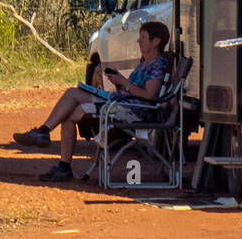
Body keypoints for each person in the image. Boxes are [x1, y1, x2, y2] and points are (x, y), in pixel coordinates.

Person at [14, 21, 171, 182]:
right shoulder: (144, 63)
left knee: (73, 96)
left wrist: (124, 83)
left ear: (156, 41)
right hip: (121, 103)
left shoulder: (157, 66)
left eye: (143, 37)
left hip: (132, 111)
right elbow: (132, 89)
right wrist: (119, 83)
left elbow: (149, 96)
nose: (139, 41)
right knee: (69, 109)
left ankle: (46, 135)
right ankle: (61, 163)